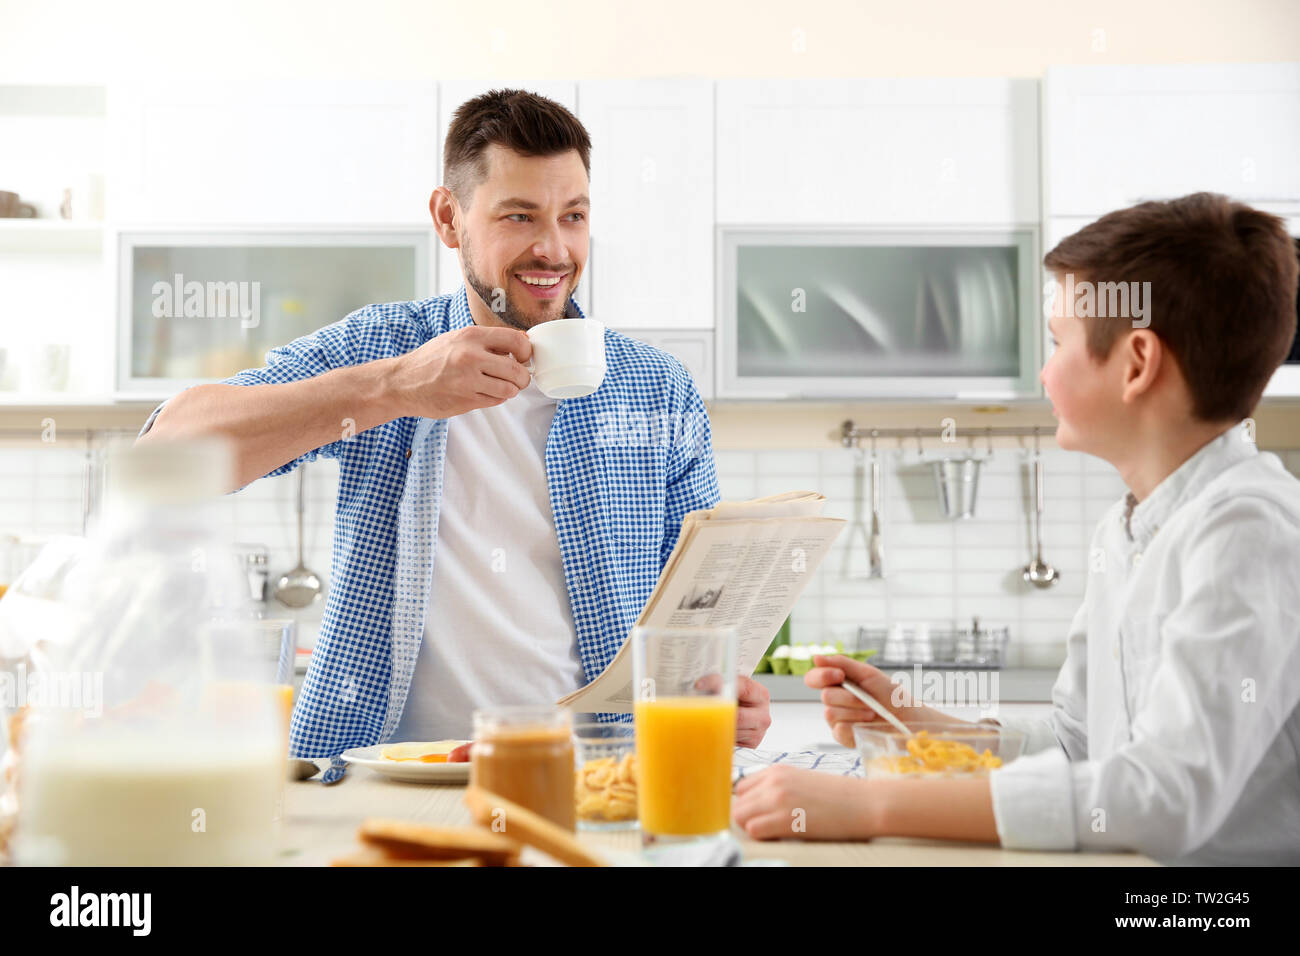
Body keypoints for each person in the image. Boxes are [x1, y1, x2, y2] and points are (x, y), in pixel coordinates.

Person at [137, 89, 771, 781]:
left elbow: (698, 618)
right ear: (449, 218)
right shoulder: (387, 348)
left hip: (598, 782)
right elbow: (164, 453)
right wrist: (395, 387)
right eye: (519, 216)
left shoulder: (657, 389)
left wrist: (718, 692)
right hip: (376, 776)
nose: (553, 249)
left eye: (574, 216)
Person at [733, 192, 1300, 865]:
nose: (1043, 370)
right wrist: (921, 725)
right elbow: (1079, 744)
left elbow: (1162, 797)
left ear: (1137, 363)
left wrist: (865, 805)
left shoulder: (1248, 528)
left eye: (1059, 342)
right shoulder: (1126, 528)